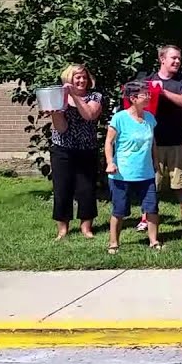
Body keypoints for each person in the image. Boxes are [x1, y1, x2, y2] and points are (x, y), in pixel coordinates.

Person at [134, 45, 182, 231]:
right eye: (173, 58)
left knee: (181, 184)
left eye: (179, 58)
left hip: (177, 141)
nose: (177, 61)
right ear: (162, 59)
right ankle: (145, 218)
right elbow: (134, 103)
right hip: (152, 142)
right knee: (150, 183)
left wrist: (163, 92)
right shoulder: (147, 80)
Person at [47, 63, 102, 240]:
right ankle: (63, 229)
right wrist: (55, 112)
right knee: (62, 188)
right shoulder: (59, 97)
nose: (81, 80)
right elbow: (61, 128)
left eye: (84, 77)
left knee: (86, 188)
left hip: (87, 149)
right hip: (62, 148)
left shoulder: (95, 96)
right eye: (77, 77)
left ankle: (86, 228)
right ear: (68, 78)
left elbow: (89, 115)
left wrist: (74, 96)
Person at [105, 81, 159, 254]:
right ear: (133, 98)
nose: (149, 97)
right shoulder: (119, 118)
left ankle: (154, 241)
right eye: (145, 94)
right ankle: (114, 243)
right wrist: (109, 162)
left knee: (151, 208)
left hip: (146, 173)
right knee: (119, 210)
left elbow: (153, 143)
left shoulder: (150, 118)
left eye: (148, 94)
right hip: (122, 174)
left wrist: (156, 161)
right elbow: (108, 142)